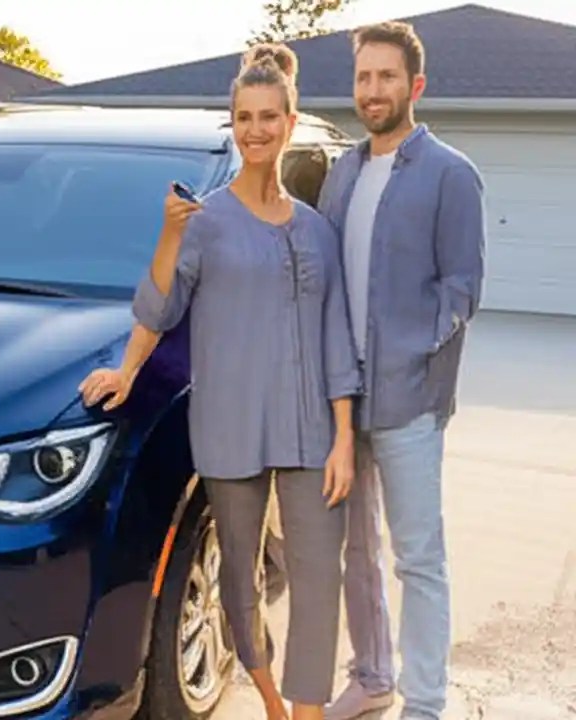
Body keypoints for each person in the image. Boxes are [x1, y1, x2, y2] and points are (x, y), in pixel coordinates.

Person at [79, 43, 360, 720]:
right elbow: (160, 309)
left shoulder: (318, 232)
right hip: (229, 425)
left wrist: (345, 435)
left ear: (290, 122)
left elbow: (337, 337)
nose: (256, 129)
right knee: (239, 574)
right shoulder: (204, 222)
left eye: (268, 116)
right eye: (244, 117)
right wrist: (127, 368)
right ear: (233, 124)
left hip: (311, 430)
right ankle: (270, 702)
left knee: (319, 578)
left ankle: (307, 711)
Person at [317, 21, 486, 720]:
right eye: (364, 77)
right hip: (346, 407)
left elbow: (462, 287)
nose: (373, 89)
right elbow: (326, 274)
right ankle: (372, 678)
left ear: (414, 85)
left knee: (418, 560)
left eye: (387, 76)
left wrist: (412, 349)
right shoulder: (344, 173)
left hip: (412, 401)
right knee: (356, 554)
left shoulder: (451, 173)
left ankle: (425, 703)